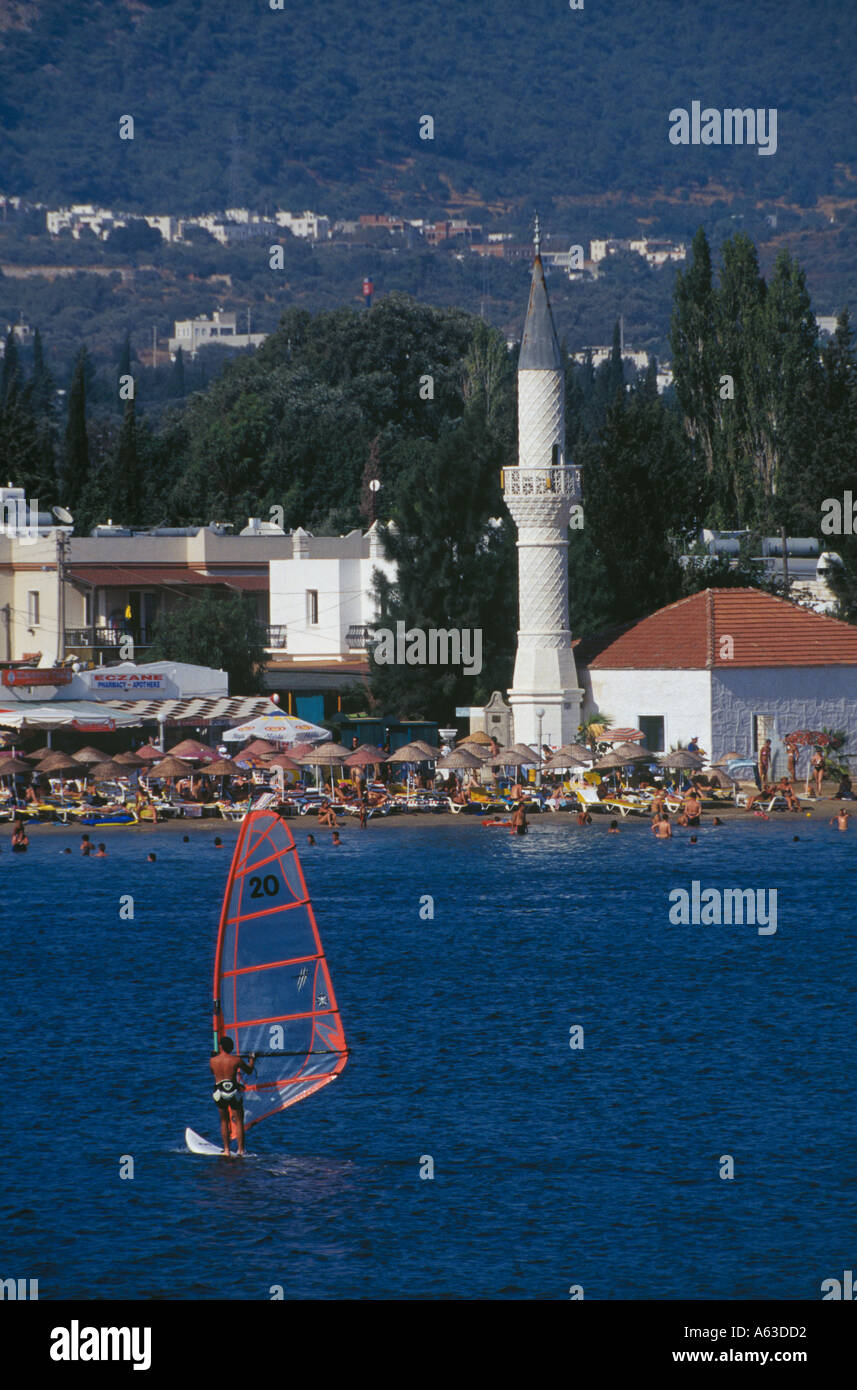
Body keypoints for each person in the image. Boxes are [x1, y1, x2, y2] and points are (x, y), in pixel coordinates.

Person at [210, 1035, 256, 1158]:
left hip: (219, 1093)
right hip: (233, 1092)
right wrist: (252, 1059)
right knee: (239, 1121)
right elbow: (249, 1070)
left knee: (224, 1121)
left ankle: (226, 1150)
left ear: (220, 1047)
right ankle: (241, 1151)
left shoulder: (213, 1061)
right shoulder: (236, 1060)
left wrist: (214, 1055)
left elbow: (212, 1071)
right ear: (231, 1048)